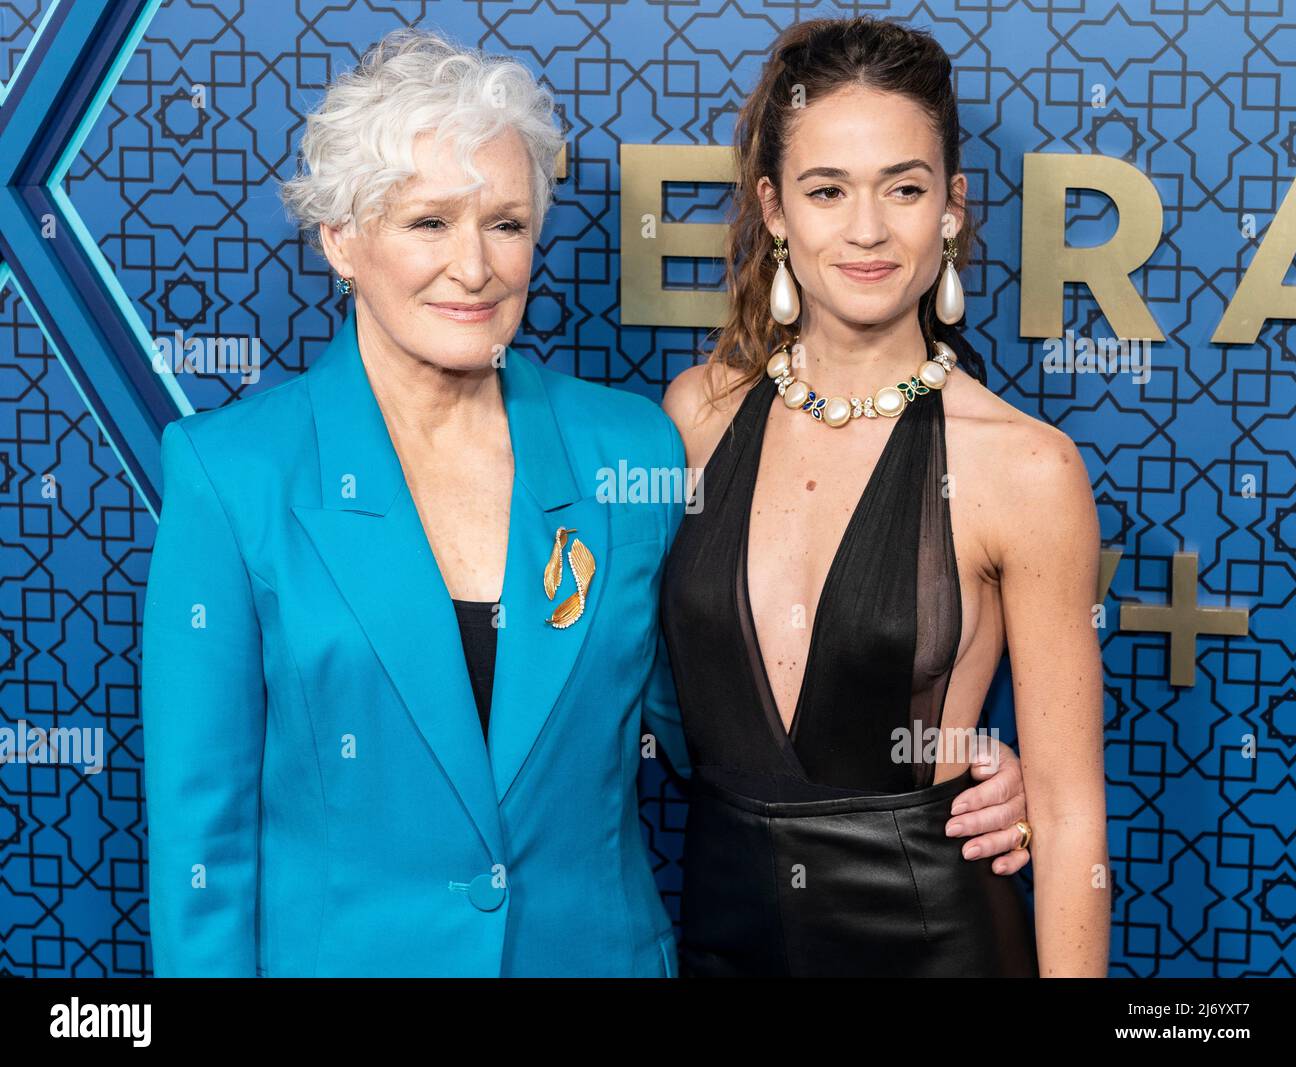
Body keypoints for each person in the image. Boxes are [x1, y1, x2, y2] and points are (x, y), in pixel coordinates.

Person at [142, 24, 1035, 979]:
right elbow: (205, 840)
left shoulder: (626, 448)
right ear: (341, 238)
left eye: (507, 223)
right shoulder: (232, 474)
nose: (475, 266)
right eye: (429, 222)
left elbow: (719, 721)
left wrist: (934, 781)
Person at [660, 16, 1109, 977]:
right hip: (720, 933)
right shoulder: (697, 415)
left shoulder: (1024, 467)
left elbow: (1069, 818)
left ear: (949, 207)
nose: (868, 231)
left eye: (903, 189)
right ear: (775, 209)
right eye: (828, 191)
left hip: (933, 937)